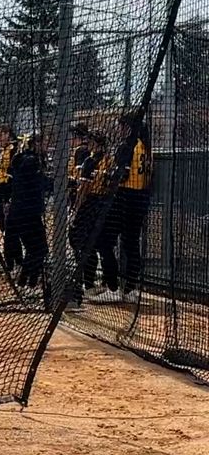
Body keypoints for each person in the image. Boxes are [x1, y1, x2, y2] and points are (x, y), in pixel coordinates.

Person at [95, 111, 152, 304]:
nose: (119, 130)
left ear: (128, 128)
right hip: (140, 199)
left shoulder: (127, 146)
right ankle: (129, 289)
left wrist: (107, 176)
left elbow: (122, 176)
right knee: (131, 244)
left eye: (121, 126)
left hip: (124, 198)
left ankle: (112, 287)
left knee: (104, 240)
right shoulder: (144, 146)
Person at [68, 129, 111, 309]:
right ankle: (93, 283)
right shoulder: (108, 158)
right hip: (104, 204)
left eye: (91, 142)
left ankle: (87, 284)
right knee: (96, 244)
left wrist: (75, 211)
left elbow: (83, 189)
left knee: (81, 242)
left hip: (90, 204)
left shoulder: (90, 160)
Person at [4, 134, 50, 290]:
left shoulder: (24, 159)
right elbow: (40, 182)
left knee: (36, 249)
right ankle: (26, 284)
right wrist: (61, 181)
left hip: (23, 211)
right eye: (43, 143)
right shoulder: (31, 161)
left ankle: (26, 283)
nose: (46, 146)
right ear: (35, 144)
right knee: (39, 249)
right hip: (26, 212)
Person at [0, 124, 19, 271]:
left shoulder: (13, 149)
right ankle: (13, 262)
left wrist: (9, 198)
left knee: (9, 229)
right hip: (1, 188)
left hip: (6, 190)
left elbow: (12, 175)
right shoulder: (5, 150)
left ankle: (13, 263)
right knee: (5, 229)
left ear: (7, 134)